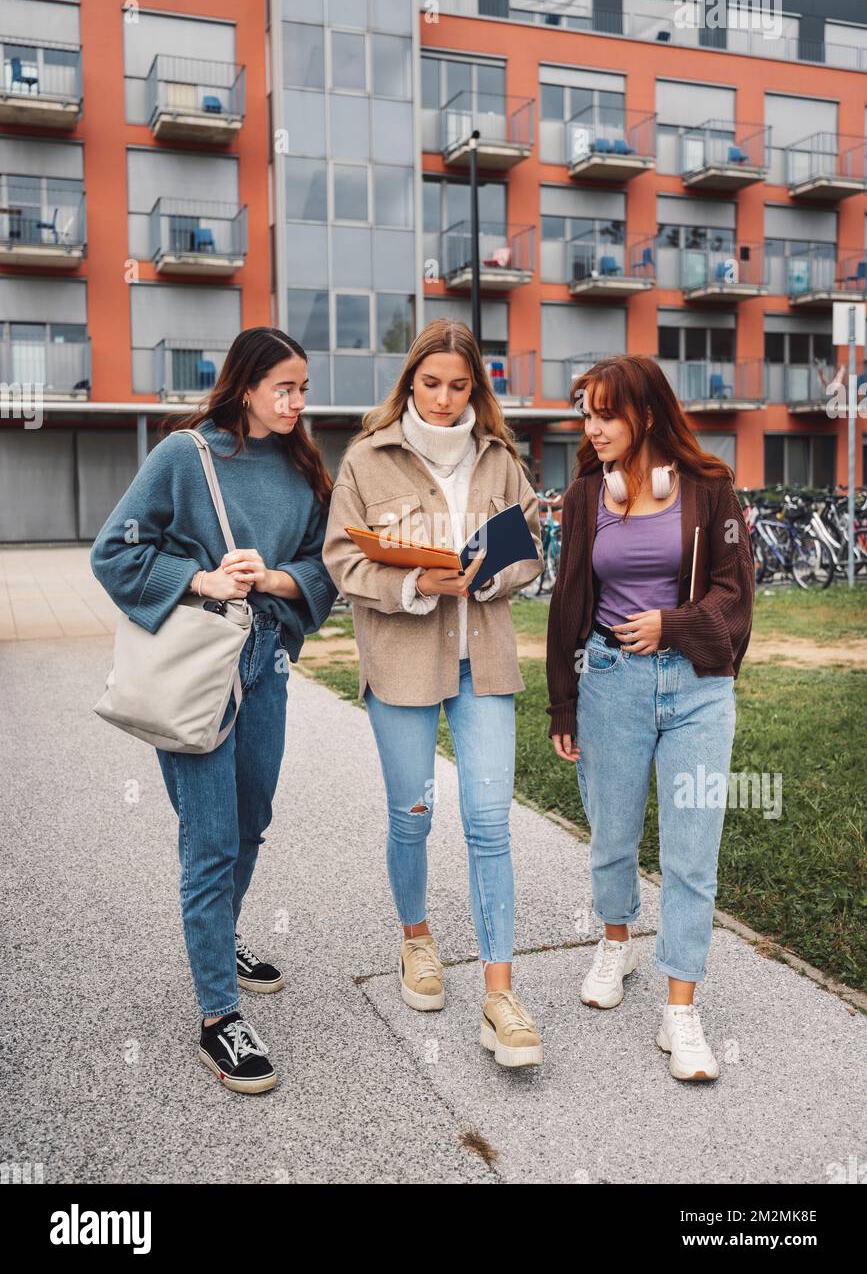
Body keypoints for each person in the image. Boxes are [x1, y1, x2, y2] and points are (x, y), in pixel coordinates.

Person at [90, 328, 337, 1093]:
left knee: (252, 819)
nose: (297, 402)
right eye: (283, 388)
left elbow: (320, 565)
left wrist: (272, 579)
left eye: (302, 387)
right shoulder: (183, 457)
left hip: (265, 666)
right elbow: (115, 551)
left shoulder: (303, 469)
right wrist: (203, 580)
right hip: (199, 669)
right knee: (210, 843)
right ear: (245, 386)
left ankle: (217, 937)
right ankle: (217, 1019)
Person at [322, 318, 545, 1067]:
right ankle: (416, 941)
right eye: (430, 384)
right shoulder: (366, 460)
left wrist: (491, 573)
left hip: (483, 663)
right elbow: (341, 564)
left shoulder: (499, 461)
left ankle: (500, 995)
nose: (444, 399)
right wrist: (416, 582)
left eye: (458, 385)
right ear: (408, 383)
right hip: (403, 662)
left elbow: (531, 553)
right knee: (411, 814)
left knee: (489, 823)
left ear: (475, 386)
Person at [545, 354, 754, 1082]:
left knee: (691, 854)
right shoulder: (584, 497)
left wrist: (675, 623)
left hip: (696, 690)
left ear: (644, 413)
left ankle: (680, 1011)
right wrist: (562, 701)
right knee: (611, 837)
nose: (591, 427)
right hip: (608, 685)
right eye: (585, 414)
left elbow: (734, 593)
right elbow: (567, 600)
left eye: (605, 414)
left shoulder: (708, 488)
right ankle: (613, 942)